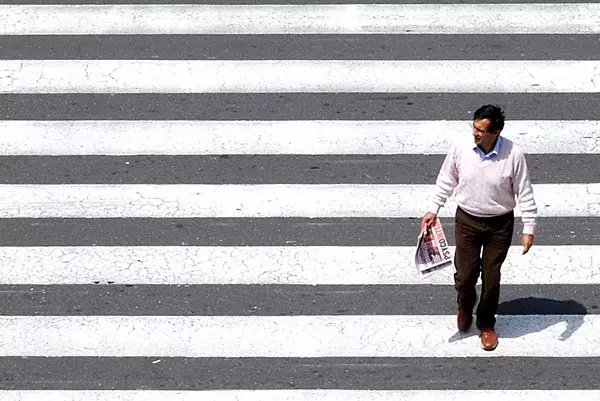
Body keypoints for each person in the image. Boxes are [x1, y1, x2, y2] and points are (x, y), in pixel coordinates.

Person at [420, 104, 537, 351]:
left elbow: (524, 191)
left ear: (495, 132)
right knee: (465, 275)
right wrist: (433, 209)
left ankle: (486, 324)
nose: (476, 133)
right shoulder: (461, 147)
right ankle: (465, 304)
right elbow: (446, 178)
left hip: (500, 224)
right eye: (474, 127)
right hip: (467, 221)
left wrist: (529, 227)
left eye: (481, 130)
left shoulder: (513, 154)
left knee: (492, 276)